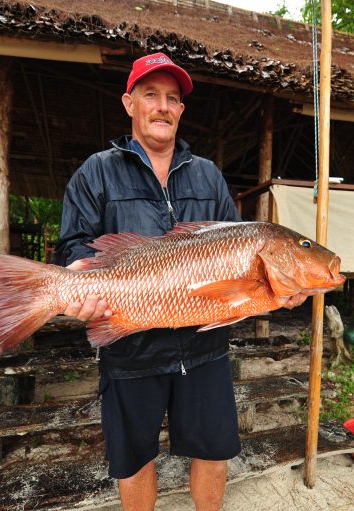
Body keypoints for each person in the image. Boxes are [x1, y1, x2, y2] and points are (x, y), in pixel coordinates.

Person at [55, 52, 307, 510]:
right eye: (151, 95)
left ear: (181, 110)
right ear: (129, 103)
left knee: (213, 451)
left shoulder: (208, 174)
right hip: (130, 348)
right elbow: (73, 245)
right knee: (134, 458)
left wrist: (277, 291)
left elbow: (238, 244)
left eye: (172, 98)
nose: (163, 106)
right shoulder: (96, 171)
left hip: (205, 348)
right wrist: (75, 276)